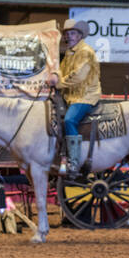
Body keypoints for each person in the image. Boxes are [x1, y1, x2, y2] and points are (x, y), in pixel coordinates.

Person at [47, 19, 101, 175]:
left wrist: (58, 84)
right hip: (71, 96)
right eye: (67, 34)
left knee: (70, 120)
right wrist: (55, 75)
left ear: (79, 36)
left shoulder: (85, 52)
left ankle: (73, 161)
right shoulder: (70, 53)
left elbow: (78, 76)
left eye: (72, 33)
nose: (69, 36)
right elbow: (62, 70)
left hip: (84, 96)